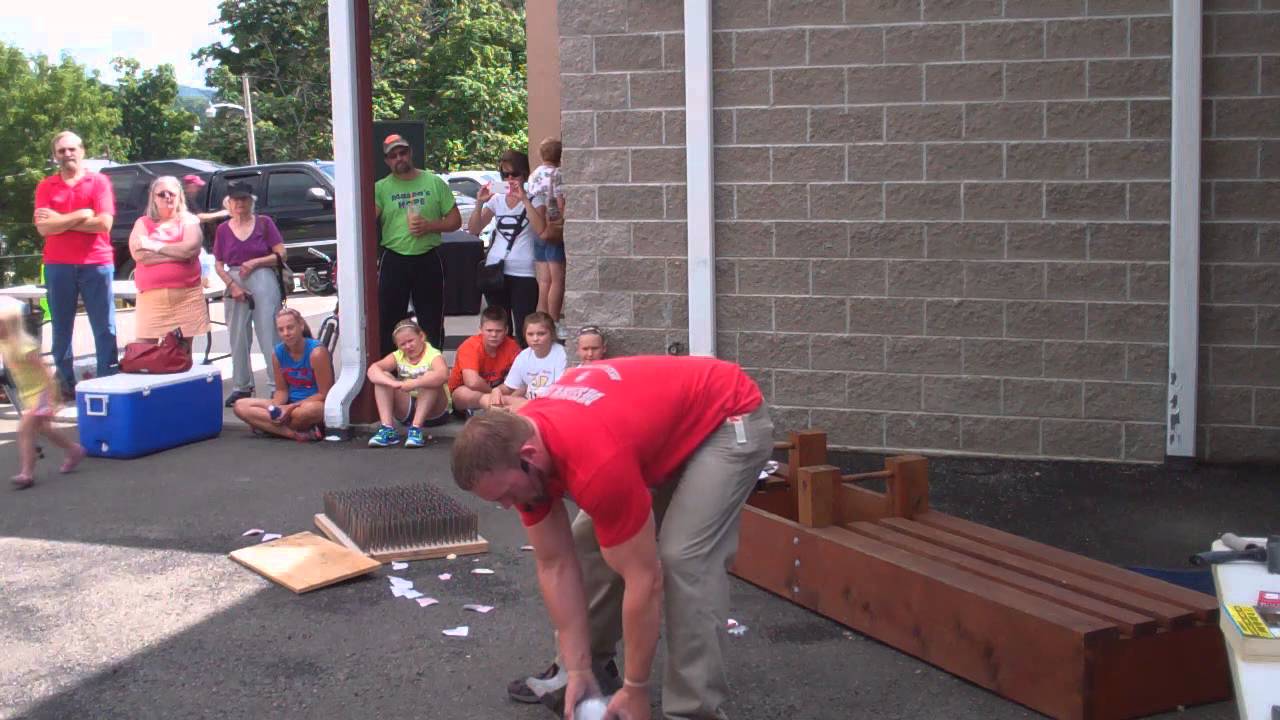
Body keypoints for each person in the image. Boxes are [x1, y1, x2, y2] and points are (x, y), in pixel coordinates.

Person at [451, 356, 774, 720]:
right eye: (498, 500)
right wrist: (577, 666)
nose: (509, 506)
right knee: (587, 544)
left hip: (727, 417)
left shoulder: (593, 461)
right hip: (653, 431)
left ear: (529, 456)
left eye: (508, 494)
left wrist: (636, 687)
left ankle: (693, 709)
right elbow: (555, 564)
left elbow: (644, 580)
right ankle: (589, 671)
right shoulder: (520, 451)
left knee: (685, 558)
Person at [32, 130, 118, 392]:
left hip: (96, 263)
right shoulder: (46, 186)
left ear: (82, 151)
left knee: (104, 326)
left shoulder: (99, 182)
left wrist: (59, 221)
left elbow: (104, 224)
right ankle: (65, 384)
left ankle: (108, 380)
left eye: (72, 149)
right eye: (61, 151)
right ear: (54, 156)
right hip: (57, 264)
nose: (67, 154)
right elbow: (43, 228)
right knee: (61, 327)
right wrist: (81, 214)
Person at [374, 134, 461, 353]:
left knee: (432, 318)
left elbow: (455, 221)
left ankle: (433, 366)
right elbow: (365, 222)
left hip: (428, 256)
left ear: (410, 153)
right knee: (390, 318)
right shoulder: (380, 188)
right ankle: (392, 367)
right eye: (393, 156)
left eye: (402, 153)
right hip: (394, 257)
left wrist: (430, 225)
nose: (399, 158)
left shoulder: (433, 182)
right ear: (387, 161)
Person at [213, 181, 286, 406]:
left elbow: (281, 254)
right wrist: (231, 285)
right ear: (228, 203)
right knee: (237, 335)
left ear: (251, 201)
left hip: (262, 276)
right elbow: (218, 264)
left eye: (244, 199)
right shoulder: (223, 229)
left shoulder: (264, 223)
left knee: (269, 332)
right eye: (235, 200)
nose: (239, 204)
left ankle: (277, 386)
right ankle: (242, 386)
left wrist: (256, 262)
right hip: (234, 279)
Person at [0, 303, 86, 489]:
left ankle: (27, 473)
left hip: (41, 392)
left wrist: (53, 396)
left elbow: (45, 371)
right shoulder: (4, 343)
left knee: (25, 430)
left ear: (9, 326)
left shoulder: (24, 346)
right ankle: (74, 450)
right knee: (45, 430)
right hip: (28, 394)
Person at [467, 149, 546, 346]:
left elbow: (541, 229)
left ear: (524, 174)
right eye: (505, 175)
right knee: (499, 328)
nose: (510, 179)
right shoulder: (497, 199)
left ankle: (523, 362)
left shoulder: (535, 199)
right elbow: (474, 229)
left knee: (524, 326)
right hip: (496, 270)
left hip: (524, 272)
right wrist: (479, 203)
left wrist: (524, 199)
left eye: (514, 174)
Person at [128, 176, 208, 347]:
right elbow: (139, 255)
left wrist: (153, 246)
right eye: (161, 194)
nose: (167, 197)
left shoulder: (189, 220)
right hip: (151, 299)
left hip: (186, 297)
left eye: (171, 193)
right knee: (144, 349)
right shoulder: (142, 222)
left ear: (179, 196)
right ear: (153, 197)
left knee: (181, 352)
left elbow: (190, 248)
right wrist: (179, 254)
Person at [233, 308, 331, 441]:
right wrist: (277, 407)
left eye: (290, 328)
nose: (286, 333)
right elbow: (281, 391)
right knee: (240, 406)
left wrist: (290, 408)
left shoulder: (317, 353)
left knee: (308, 411)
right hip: (288, 405)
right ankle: (294, 434)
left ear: (301, 326)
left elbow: (324, 394)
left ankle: (268, 426)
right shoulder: (277, 353)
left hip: (310, 404)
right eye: (281, 330)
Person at [367, 319, 450, 449]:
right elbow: (372, 370)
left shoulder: (433, 354)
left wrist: (416, 382)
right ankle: (387, 429)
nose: (408, 346)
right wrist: (392, 383)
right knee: (383, 377)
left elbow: (443, 374)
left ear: (421, 337)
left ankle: (416, 429)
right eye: (402, 344)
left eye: (411, 341)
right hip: (407, 408)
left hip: (434, 412)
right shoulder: (398, 355)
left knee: (429, 377)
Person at [485, 312, 565, 413]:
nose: (535, 339)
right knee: (492, 400)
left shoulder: (562, 354)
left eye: (541, 334)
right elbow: (509, 387)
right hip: (529, 402)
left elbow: (561, 392)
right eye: (530, 334)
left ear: (552, 334)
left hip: (553, 404)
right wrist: (497, 390)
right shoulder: (524, 356)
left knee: (511, 408)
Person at [448, 305, 521, 415]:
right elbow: (472, 382)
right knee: (462, 393)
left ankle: (498, 408)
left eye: (498, 331)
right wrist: (494, 393)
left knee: (521, 386)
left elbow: (521, 377)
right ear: (480, 329)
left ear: (506, 330)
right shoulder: (470, 346)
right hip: (471, 393)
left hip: (500, 391)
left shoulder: (512, 346)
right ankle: (501, 409)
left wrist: (500, 392)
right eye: (489, 330)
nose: (494, 335)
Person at [529, 137, 566, 338]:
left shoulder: (534, 174)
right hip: (552, 229)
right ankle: (554, 322)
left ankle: (541, 322)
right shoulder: (558, 174)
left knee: (543, 280)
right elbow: (560, 201)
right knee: (557, 279)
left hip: (537, 228)